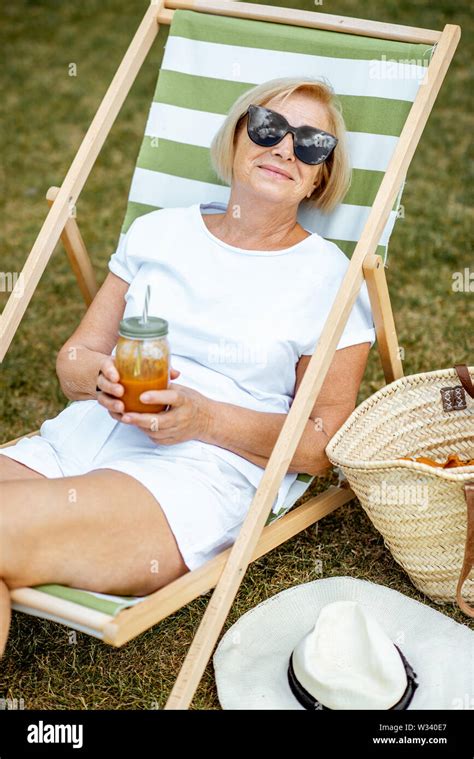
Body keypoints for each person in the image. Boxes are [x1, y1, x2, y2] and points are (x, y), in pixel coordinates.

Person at [0, 76, 375, 657]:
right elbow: (74, 358)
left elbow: (326, 447)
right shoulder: (158, 232)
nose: (284, 149)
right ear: (235, 137)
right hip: (75, 441)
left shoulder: (332, 278)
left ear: (321, 175)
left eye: (310, 144)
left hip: (193, 476)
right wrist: (100, 377)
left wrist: (205, 420)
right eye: (269, 128)